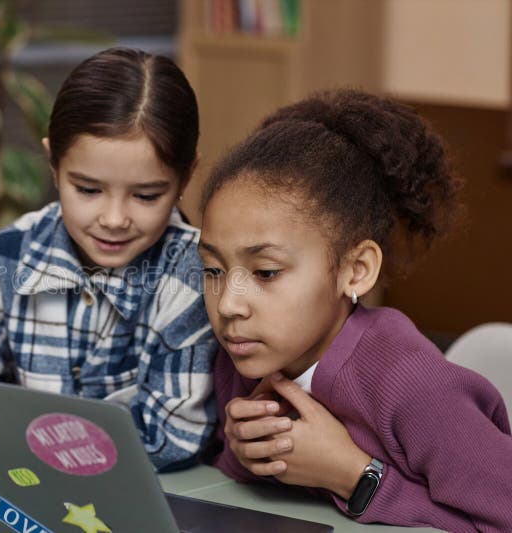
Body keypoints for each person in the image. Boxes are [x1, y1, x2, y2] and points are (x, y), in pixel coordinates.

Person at [199, 89, 512, 531]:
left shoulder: (416, 390)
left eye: (266, 272)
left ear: (356, 270)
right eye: (212, 271)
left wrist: (356, 478)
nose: (228, 304)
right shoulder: (246, 355)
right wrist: (242, 452)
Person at [0, 47, 218, 471]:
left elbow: (172, 437)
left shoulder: (194, 280)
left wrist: (17, 440)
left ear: (186, 177)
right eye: (87, 190)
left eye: (146, 196)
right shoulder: (1, 261)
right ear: (54, 164)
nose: (114, 219)